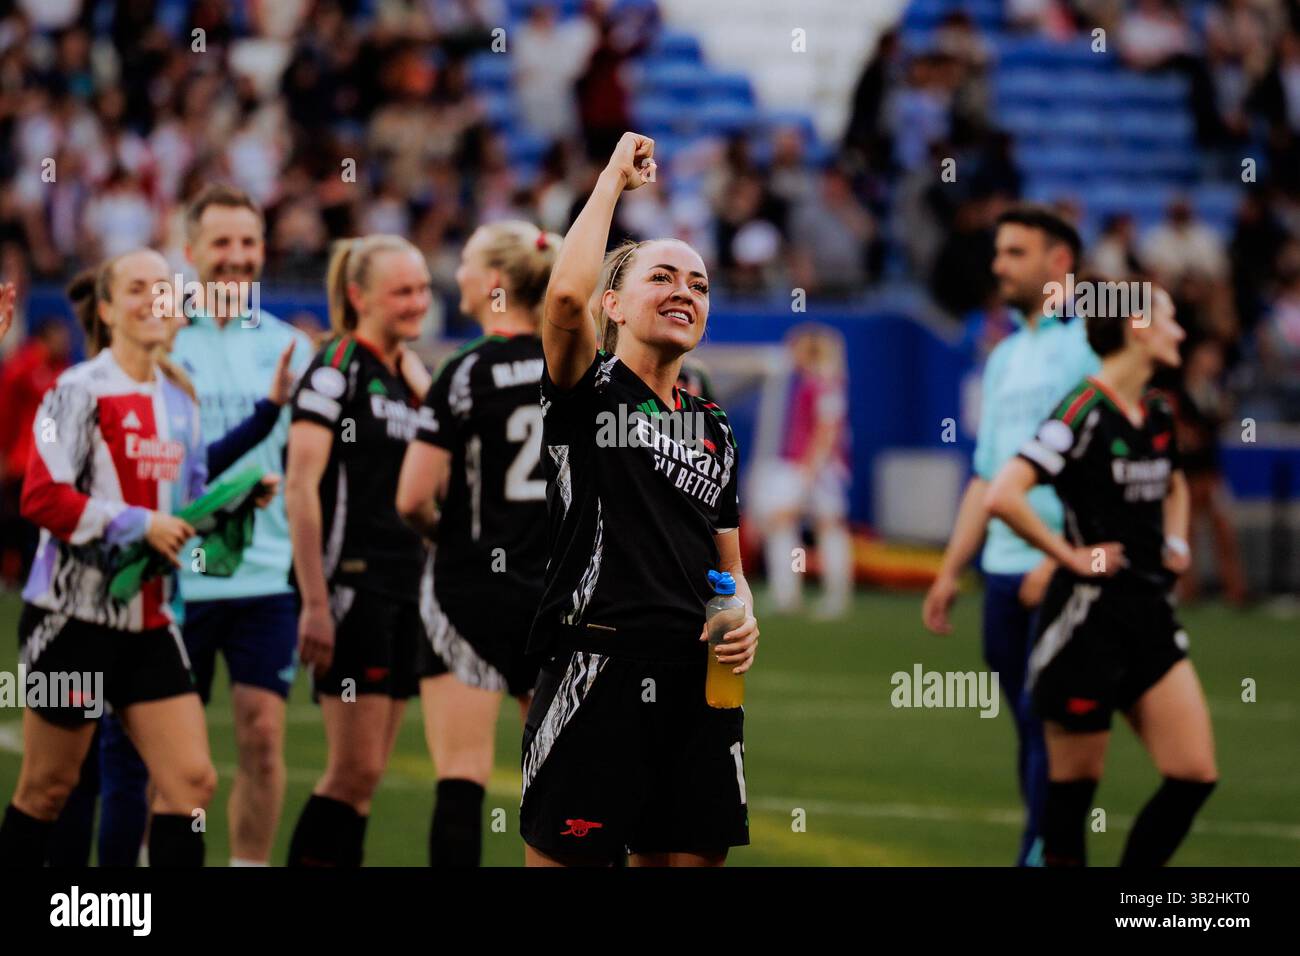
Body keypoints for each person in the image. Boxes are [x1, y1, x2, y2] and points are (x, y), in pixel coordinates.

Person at [522, 132, 759, 867]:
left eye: (698, 285)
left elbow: (729, 565)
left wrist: (742, 613)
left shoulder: (712, 423)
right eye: (664, 277)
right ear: (615, 306)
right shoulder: (587, 392)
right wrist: (611, 183)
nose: (684, 292)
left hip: (698, 687)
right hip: (598, 669)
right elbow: (564, 295)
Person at [0, 250, 219, 866]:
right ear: (104, 309)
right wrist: (141, 524)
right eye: (136, 288)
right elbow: (42, 495)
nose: (153, 298)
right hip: (73, 620)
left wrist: (231, 506)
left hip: (149, 621)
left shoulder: (182, 398)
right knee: (47, 790)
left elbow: (192, 502)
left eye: (164, 288)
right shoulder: (77, 390)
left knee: (192, 784)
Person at [986, 284, 1217, 866]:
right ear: (1137, 325)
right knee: (1072, 797)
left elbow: (1175, 484)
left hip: (1151, 615)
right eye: (1169, 318)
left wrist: (1176, 539)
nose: (1180, 332)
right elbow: (1003, 494)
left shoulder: (1160, 411)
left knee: (1194, 774)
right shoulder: (1079, 412)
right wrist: (1069, 557)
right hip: (1085, 622)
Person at [921, 204, 1099, 866]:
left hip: (1056, 568)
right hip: (1000, 569)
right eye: (999, 253)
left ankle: (1041, 854)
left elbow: (1104, 463)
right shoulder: (1003, 358)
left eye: (1015, 253)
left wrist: (1066, 558)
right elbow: (987, 477)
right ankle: (1046, 849)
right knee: (1030, 727)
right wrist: (950, 570)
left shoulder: (1087, 345)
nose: (998, 266)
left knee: (1055, 723)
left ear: (1059, 262)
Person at [396, 220, 559, 867]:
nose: (456, 273)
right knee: (562, 782)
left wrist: (451, 537)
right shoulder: (574, 363)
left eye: (465, 262)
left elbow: (412, 497)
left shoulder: (464, 372)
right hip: (556, 595)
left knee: (461, 775)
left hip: (469, 594)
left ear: (492, 282)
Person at [166, 184, 315, 866]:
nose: (236, 257)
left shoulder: (291, 348)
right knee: (175, 761)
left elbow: (314, 471)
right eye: (221, 243)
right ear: (192, 250)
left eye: (248, 242)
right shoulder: (159, 337)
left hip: (263, 578)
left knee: (261, 739)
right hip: (171, 579)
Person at [284, 235, 432, 867]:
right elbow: (299, 484)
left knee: (366, 783)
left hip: (405, 589)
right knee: (352, 771)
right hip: (352, 589)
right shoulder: (335, 366)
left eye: (423, 289)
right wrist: (315, 599)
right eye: (402, 291)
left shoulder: (408, 374)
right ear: (358, 295)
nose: (417, 303)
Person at [755, 323, 854, 619]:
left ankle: (835, 595)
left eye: (794, 347)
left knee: (826, 525)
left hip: (817, 467)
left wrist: (810, 471)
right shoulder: (808, 380)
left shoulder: (824, 381)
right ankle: (788, 593)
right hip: (802, 465)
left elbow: (828, 429)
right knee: (785, 523)